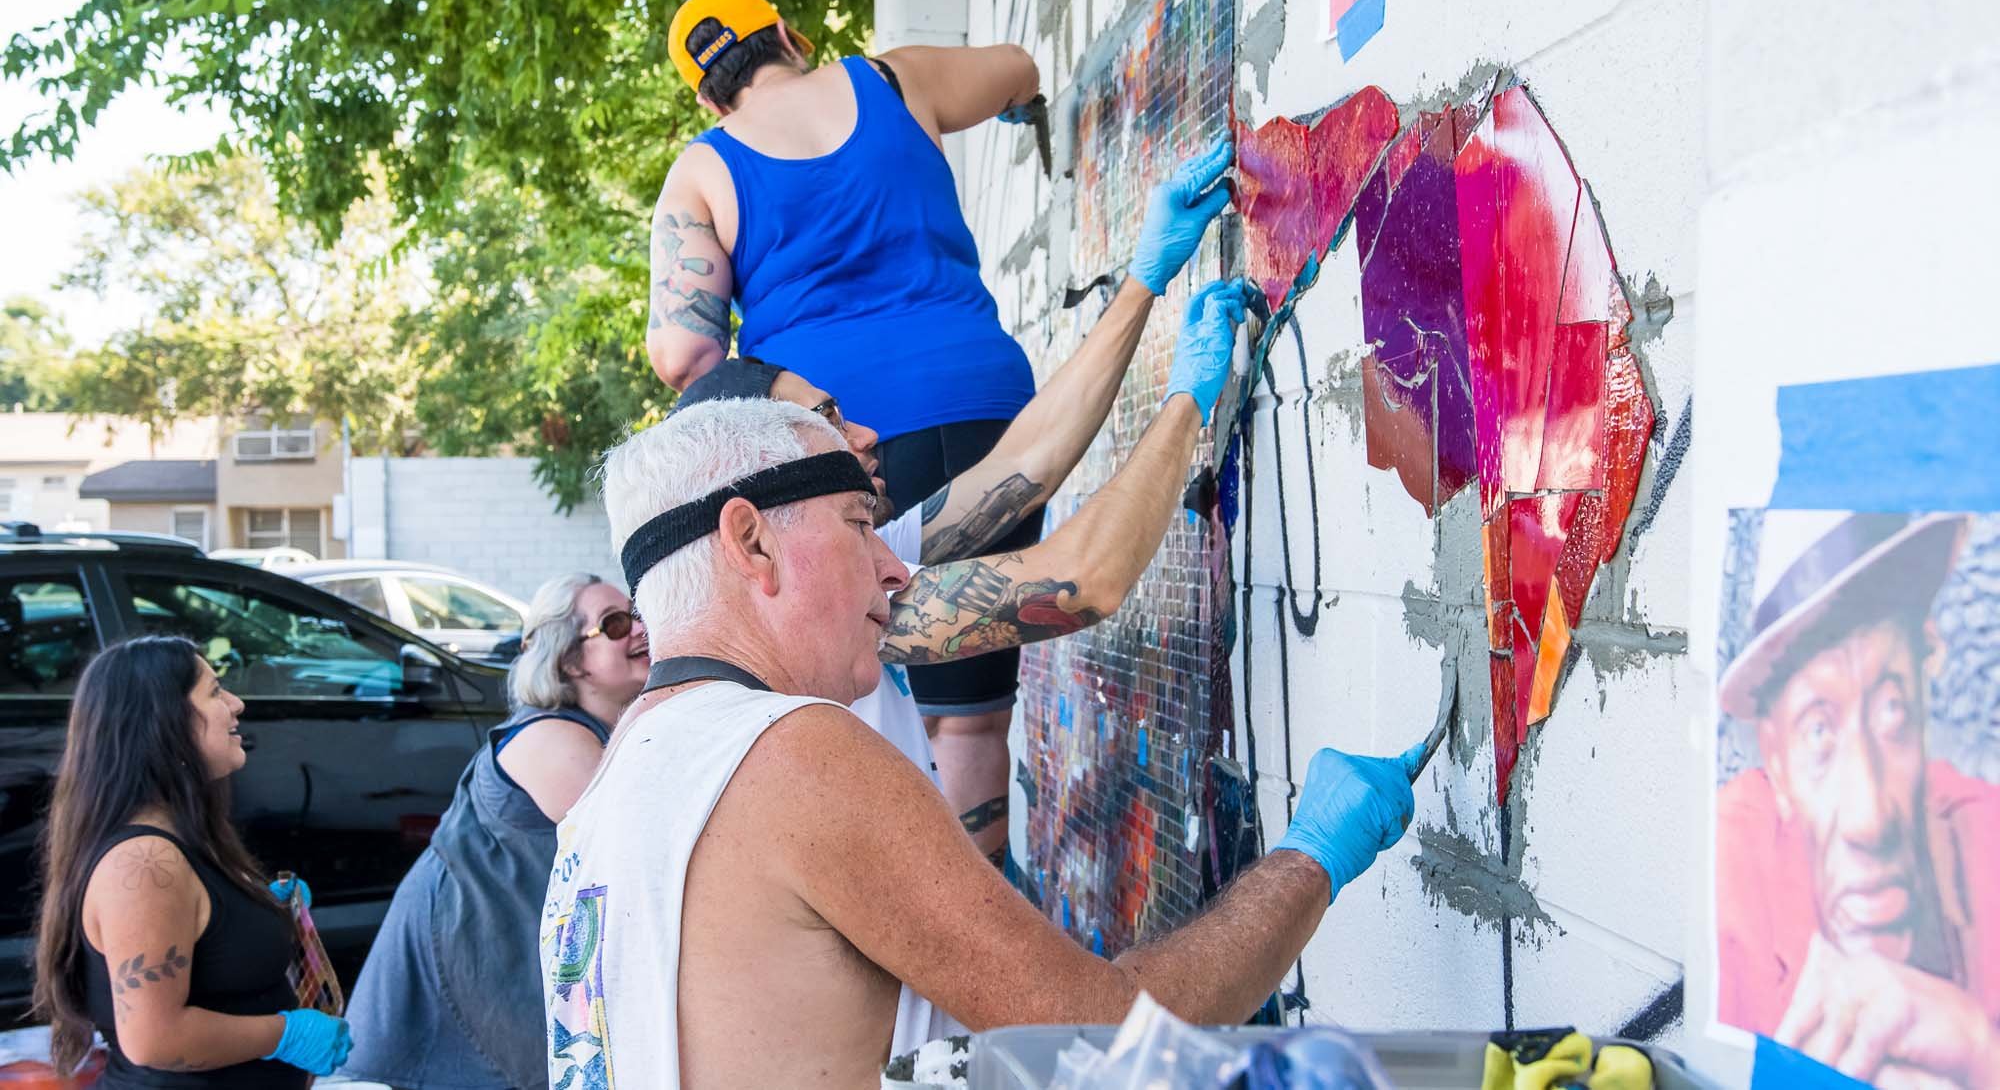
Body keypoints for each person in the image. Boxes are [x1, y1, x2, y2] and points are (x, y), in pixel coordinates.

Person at [541, 397, 1424, 1089]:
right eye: (859, 522)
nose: (894, 567)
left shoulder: (609, 794)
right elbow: (1106, 1045)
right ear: (751, 540)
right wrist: (1312, 857)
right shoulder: (785, 753)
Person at [662, 133, 1237, 863]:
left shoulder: (843, 563)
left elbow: (1025, 462)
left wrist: (1144, 282)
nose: (867, 434)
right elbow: (1082, 581)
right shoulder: (820, 610)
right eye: (828, 423)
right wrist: (1187, 400)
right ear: (752, 520)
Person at [646, 0, 1106, 858]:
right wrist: (1022, 107)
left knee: (861, 702)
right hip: (988, 414)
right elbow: (1018, 68)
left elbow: (682, 356)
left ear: (706, 92)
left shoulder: (702, 168)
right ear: (790, 31)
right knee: (968, 720)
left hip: (846, 453)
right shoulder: (894, 82)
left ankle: (905, 945)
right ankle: (989, 952)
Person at [1716, 512, 2000, 1087]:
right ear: (1775, 760)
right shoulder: (1732, 862)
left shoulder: (1987, 831)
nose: (1869, 819)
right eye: (1818, 731)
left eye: (1893, 710)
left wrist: (1983, 1053)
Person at [344, 574, 651, 1090]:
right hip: (464, 970)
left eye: (637, 613)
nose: (639, 629)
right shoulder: (552, 739)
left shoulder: (600, 728)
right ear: (570, 660)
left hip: (497, 956)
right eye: (616, 623)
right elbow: (647, 857)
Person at [32, 635, 351, 1085]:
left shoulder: (178, 839)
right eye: (216, 691)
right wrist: (285, 1035)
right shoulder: (144, 864)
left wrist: (255, 909)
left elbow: (208, 946)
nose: (236, 704)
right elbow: (154, 1038)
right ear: (166, 721)